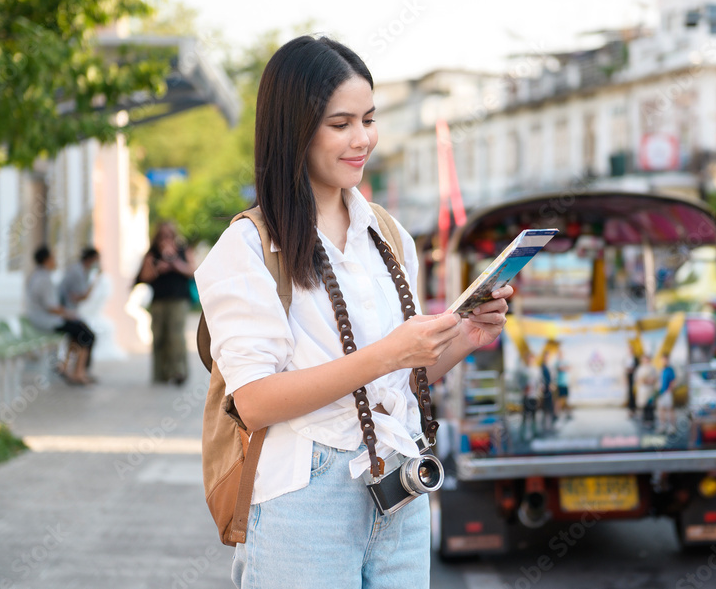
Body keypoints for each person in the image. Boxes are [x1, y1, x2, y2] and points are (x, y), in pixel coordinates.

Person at [194, 35, 511, 589]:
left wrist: (462, 339)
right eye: (340, 124)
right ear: (295, 130)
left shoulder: (386, 234)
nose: (362, 139)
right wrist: (389, 352)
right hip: (306, 497)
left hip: (400, 486)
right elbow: (255, 401)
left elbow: (396, 381)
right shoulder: (246, 249)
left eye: (368, 118)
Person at [24, 246, 95, 385]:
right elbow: (52, 307)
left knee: (78, 331)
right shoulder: (43, 279)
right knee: (86, 334)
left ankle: (67, 368)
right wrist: (69, 314)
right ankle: (78, 372)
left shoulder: (37, 276)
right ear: (46, 260)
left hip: (43, 319)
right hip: (47, 321)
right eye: (53, 258)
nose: (55, 261)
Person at [136, 222, 194, 385]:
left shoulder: (183, 250)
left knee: (176, 336)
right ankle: (161, 374)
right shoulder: (152, 254)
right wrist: (158, 268)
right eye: (163, 235)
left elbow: (192, 270)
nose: (166, 239)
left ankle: (179, 371)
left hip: (178, 299)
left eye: (169, 235)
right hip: (159, 299)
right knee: (159, 336)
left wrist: (175, 263)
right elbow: (144, 277)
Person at [59, 247, 100, 371]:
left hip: (68, 313)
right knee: (87, 337)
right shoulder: (77, 272)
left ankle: (67, 368)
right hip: (64, 315)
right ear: (91, 259)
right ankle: (79, 372)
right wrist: (95, 281)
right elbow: (81, 296)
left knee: (76, 337)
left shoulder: (80, 270)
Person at [656, 352, 678, 435]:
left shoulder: (670, 370)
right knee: (661, 409)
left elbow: (673, 381)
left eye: (665, 360)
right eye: (662, 360)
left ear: (667, 360)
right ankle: (663, 426)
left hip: (667, 393)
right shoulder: (662, 370)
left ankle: (672, 427)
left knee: (670, 410)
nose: (663, 361)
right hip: (661, 393)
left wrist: (669, 390)